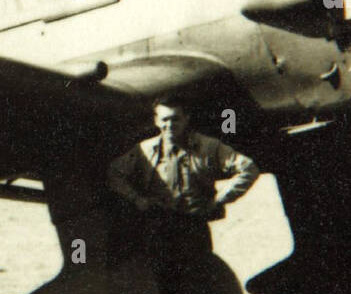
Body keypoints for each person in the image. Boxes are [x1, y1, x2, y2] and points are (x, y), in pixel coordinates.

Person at [107, 95, 260, 272]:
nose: (170, 125)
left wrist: (221, 199)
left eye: (176, 119)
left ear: (186, 119)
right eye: (164, 119)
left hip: (193, 226)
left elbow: (248, 168)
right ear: (156, 121)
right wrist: (137, 199)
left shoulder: (209, 147)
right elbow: (114, 172)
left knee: (198, 276)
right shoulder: (144, 150)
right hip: (158, 226)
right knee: (163, 278)